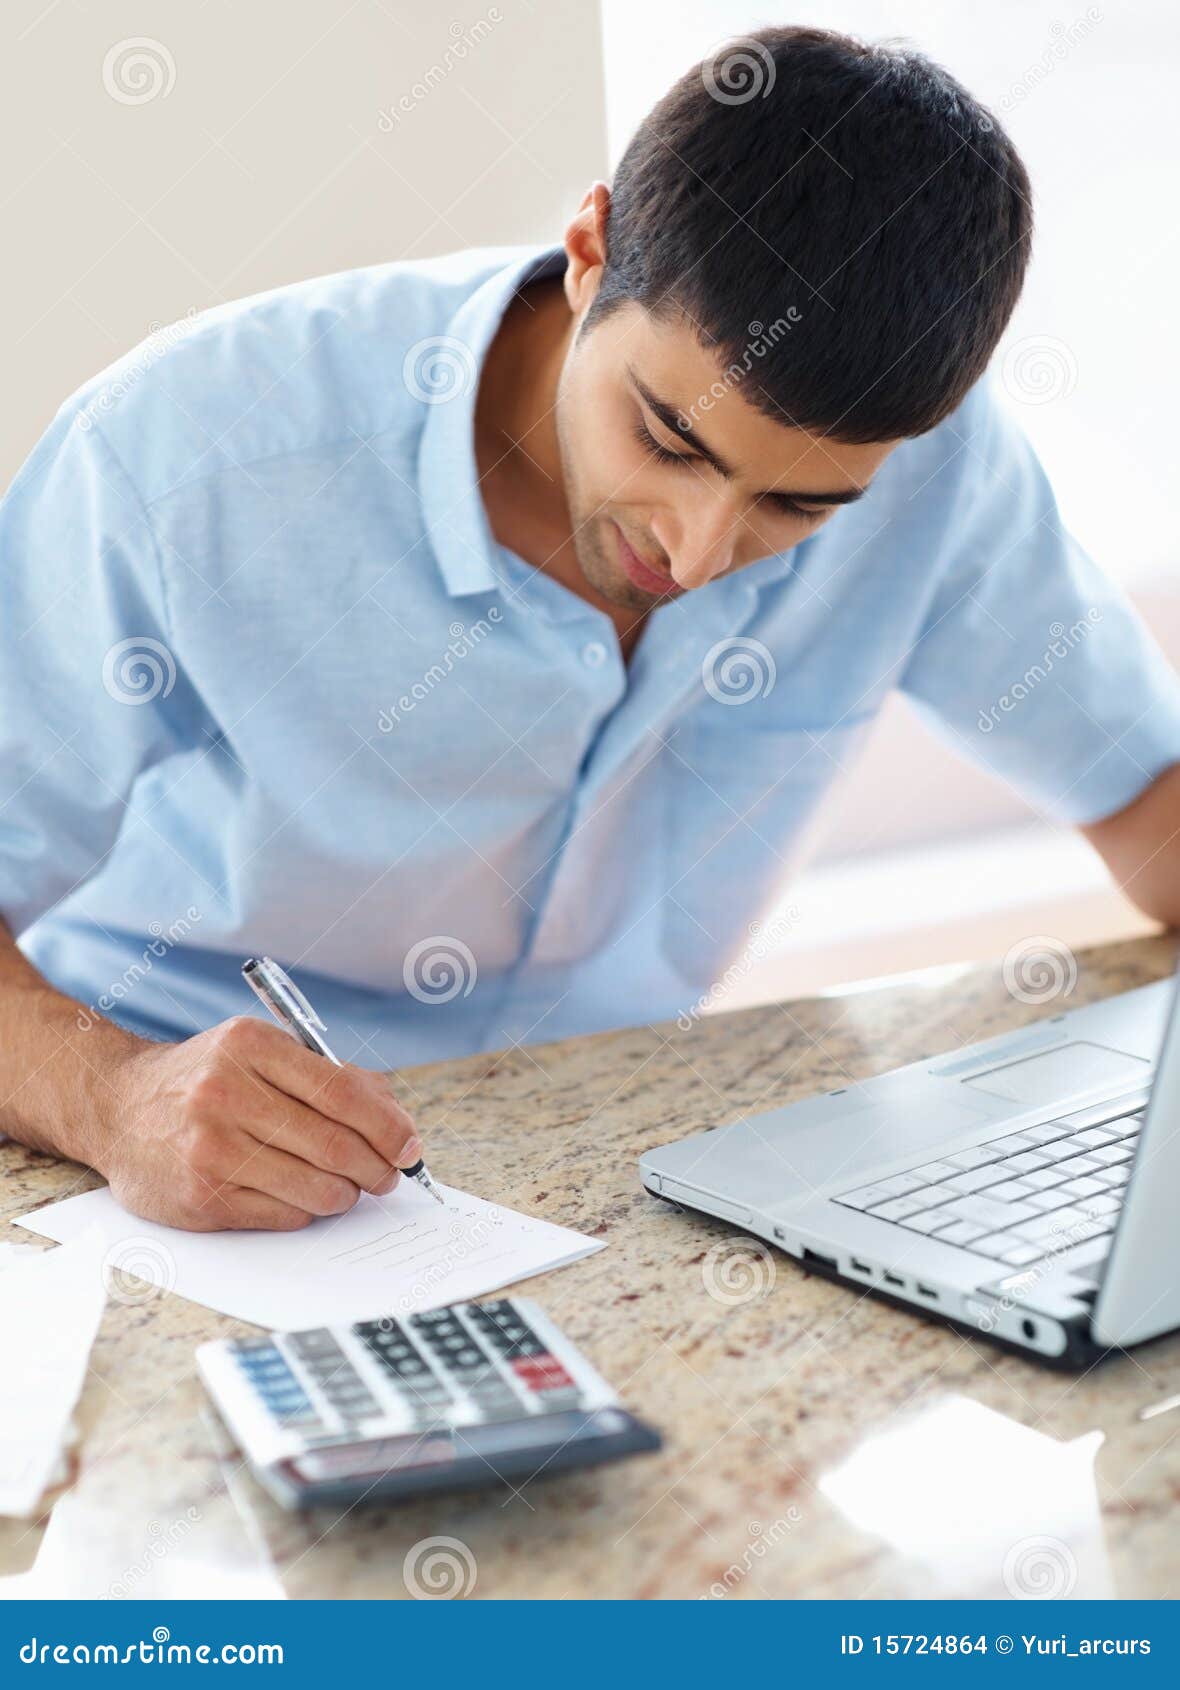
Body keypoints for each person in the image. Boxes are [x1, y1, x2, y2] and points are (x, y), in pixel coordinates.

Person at [3, 26, 1178, 1231]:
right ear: (588, 252)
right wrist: (109, 1095)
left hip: (621, 1166)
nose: (698, 550)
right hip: (184, 1160)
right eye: (669, 440)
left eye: (796, 504)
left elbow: (1151, 794)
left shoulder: (935, 471)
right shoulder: (188, 453)